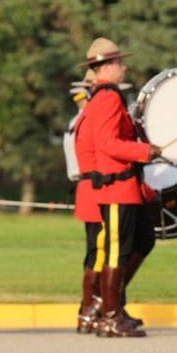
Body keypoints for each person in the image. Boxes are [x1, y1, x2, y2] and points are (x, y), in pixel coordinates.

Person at [76, 37, 162, 338]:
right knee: (113, 253)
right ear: (107, 67)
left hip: (118, 187)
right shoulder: (108, 97)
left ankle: (102, 311)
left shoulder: (103, 97)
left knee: (116, 250)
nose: (123, 68)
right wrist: (145, 152)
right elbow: (107, 144)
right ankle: (107, 314)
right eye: (119, 63)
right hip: (115, 188)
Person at [68, 70, 105, 333]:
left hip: (88, 186)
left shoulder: (80, 119)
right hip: (93, 186)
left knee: (99, 249)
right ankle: (90, 308)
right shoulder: (84, 119)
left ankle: (94, 307)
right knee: (99, 250)